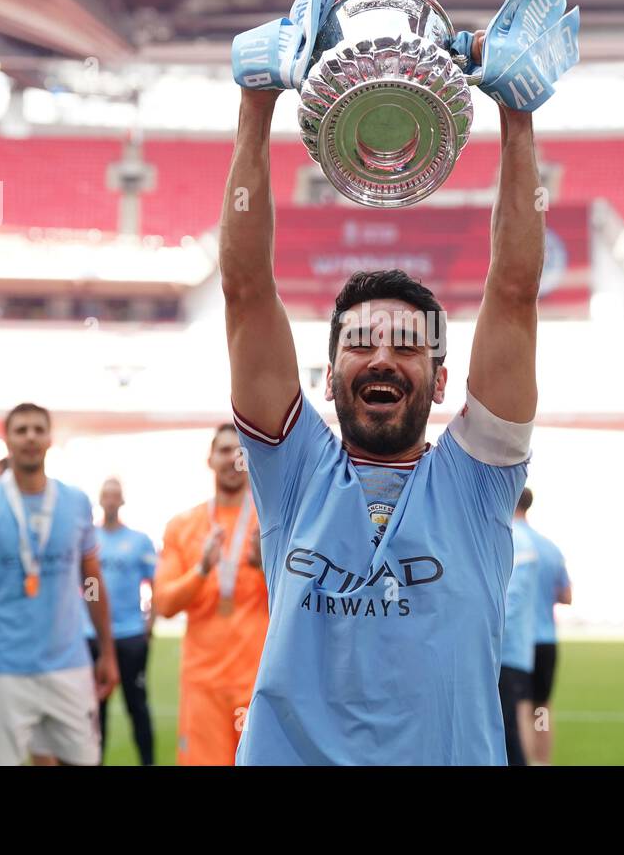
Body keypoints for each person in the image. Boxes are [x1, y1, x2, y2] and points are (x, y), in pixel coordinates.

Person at [220, 54, 540, 764]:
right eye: (360, 342)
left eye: (407, 344)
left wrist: (518, 121)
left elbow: (514, 295)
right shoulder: (292, 468)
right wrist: (255, 103)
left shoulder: (477, 481)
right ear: (329, 379)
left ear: (442, 378)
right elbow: (245, 290)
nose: (384, 357)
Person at [0, 403, 119, 766]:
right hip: (4, 670)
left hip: (69, 664)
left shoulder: (76, 502)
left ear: (50, 438)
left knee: (85, 761)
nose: (30, 437)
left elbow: (91, 580)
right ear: (6, 439)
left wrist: (107, 651)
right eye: (21, 430)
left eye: (38, 429)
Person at [153, 424, 268, 766]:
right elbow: (164, 604)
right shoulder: (182, 525)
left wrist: (266, 567)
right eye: (223, 450)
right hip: (203, 685)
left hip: (258, 682)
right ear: (209, 459)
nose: (231, 459)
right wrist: (201, 570)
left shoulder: (272, 523)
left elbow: (300, 604)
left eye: (240, 452)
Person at [86, 477, 156, 766]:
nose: (111, 500)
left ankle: (148, 760)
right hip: (93, 636)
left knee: (136, 705)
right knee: (94, 709)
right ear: (100, 500)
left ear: (122, 501)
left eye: (116, 495)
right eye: (107, 495)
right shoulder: (89, 539)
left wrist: (149, 625)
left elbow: (155, 583)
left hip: (129, 635)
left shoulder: (139, 541)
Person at [523, 488, 571, 766]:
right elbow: (566, 596)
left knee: (517, 709)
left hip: (511, 645)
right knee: (540, 709)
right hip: (544, 640)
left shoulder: (506, 541)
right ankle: (542, 761)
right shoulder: (549, 547)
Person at [500, 496, 540, 765]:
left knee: (508, 727)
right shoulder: (527, 542)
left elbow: (509, 604)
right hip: (517, 649)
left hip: (506, 652)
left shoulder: (517, 541)